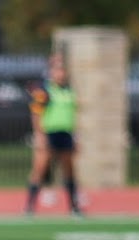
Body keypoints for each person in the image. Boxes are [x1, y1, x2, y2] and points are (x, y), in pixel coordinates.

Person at [25, 56, 83, 217]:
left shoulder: (69, 91)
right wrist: (39, 135)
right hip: (49, 133)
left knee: (69, 171)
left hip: (65, 133)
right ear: (51, 72)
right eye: (56, 70)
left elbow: (74, 114)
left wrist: (76, 135)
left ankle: (74, 207)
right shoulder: (44, 90)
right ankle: (29, 206)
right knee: (39, 169)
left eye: (62, 70)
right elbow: (36, 114)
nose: (60, 74)